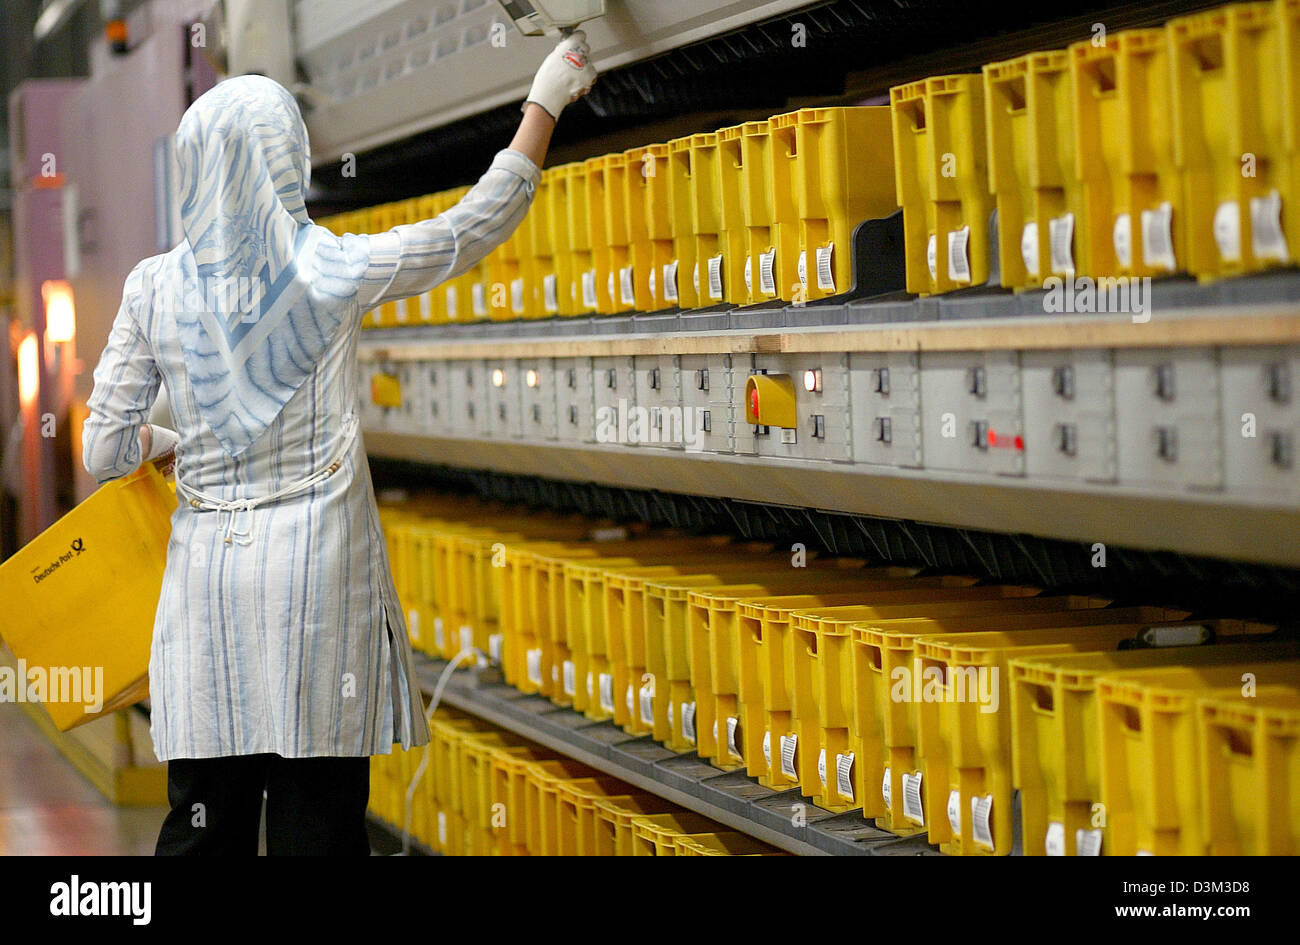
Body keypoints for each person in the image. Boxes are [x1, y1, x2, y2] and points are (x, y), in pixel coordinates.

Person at [81, 33, 598, 856]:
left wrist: (169, 439)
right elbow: (471, 227)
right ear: (286, 159)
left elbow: (104, 449)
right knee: (314, 827)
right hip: (317, 591)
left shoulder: (154, 286)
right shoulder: (331, 268)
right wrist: (546, 97)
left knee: (202, 825)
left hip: (206, 597)